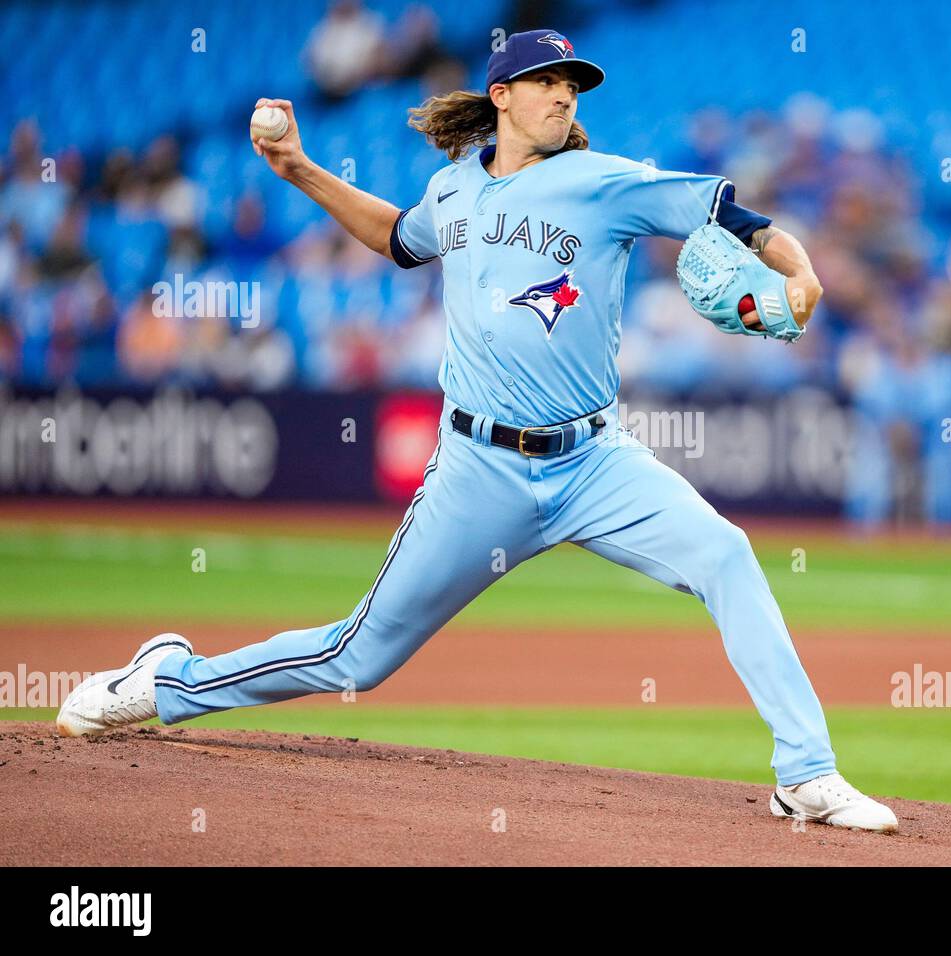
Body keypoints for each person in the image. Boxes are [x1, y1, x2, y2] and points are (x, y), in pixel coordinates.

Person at [57, 29, 898, 834]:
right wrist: (300, 169)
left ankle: (806, 774)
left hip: (595, 461)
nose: (566, 95)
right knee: (358, 658)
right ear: (502, 96)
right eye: (549, 83)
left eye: (574, 86)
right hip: (478, 471)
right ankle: (168, 680)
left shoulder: (607, 181)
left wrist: (801, 271)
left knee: (726, 554)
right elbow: (396, 239)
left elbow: (741, 219)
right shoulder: (454, 187)